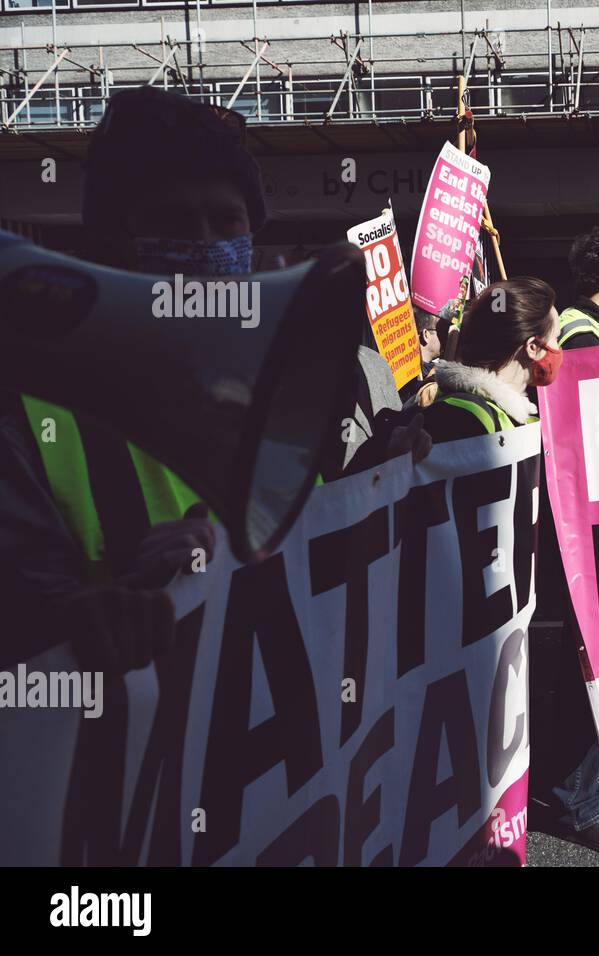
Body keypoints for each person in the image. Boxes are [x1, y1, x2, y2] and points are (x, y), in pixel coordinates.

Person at [0, 86, 420, 677]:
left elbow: (320, 564)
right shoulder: (30, 410)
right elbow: (23, 619)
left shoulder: (303, 382)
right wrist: (93, 616)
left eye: (225, 220)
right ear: (116, 242)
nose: (204, 242)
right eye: (172, 221)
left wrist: (374, 479)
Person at [530, 227, 599, 853]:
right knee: (586, 662)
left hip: (593, 517)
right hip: (583, 526)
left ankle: (580, 775)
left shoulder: (590, 329)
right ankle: (576, 800)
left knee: (587, 661)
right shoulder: (581, 334)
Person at [422, 278, 556, 441]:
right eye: (556, 337)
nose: (559, 348)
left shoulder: (503, 414)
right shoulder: (465, 422)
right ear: (533, 347)